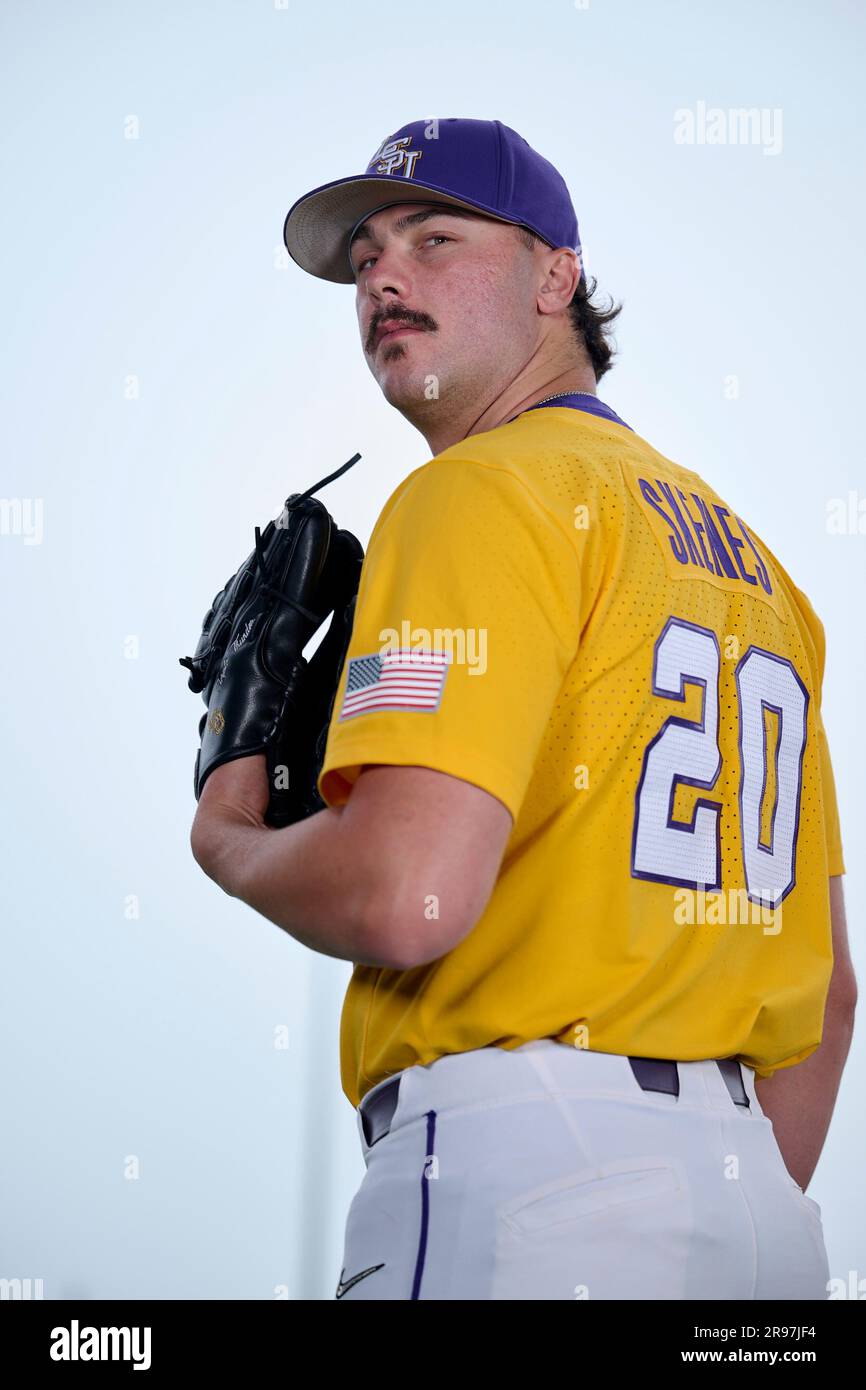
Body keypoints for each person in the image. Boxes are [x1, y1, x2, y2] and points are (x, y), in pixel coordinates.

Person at [190, 118, 855, 1300]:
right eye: (364, 261)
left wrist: (229, 827)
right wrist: (706, 1202)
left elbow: (407, 895)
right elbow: (828, 992)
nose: (384, 276)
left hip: (520, 1176)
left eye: (434, 237)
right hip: (757, 1220)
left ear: (557, 278)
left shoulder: (473, 494)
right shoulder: (760, 573)